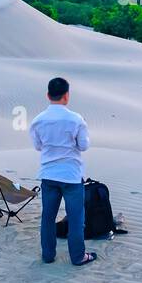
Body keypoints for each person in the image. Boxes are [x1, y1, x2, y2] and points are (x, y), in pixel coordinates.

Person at [30, 77, 96, 266]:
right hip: (71, 176)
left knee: (48, 218)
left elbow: (38, 146)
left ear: (48, 95)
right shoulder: (76, 119)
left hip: (48, 175)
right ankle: (78, 257)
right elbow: (83, 146)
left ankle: (48, 256)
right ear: (66, 96)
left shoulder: (37, 121)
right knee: (76, 219)